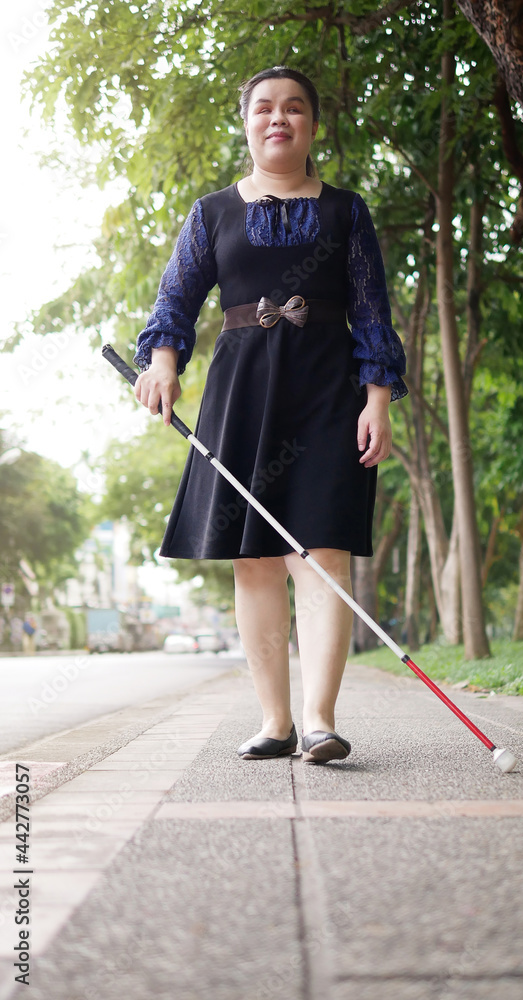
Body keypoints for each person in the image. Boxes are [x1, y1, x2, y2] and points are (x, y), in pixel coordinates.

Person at [133, 66, 407, 763]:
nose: (277, 118)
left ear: (312, 125)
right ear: (247, 122)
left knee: (320, 555)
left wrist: (377, 399)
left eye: (293, 108)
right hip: (241, 392)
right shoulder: (211, 212)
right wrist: (161, 365)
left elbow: (372, 310)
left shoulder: (347, 211)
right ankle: (274, 722)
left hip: (327, 393)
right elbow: (175, 302)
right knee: (254, 559)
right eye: (263, 108)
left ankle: (319, 721)